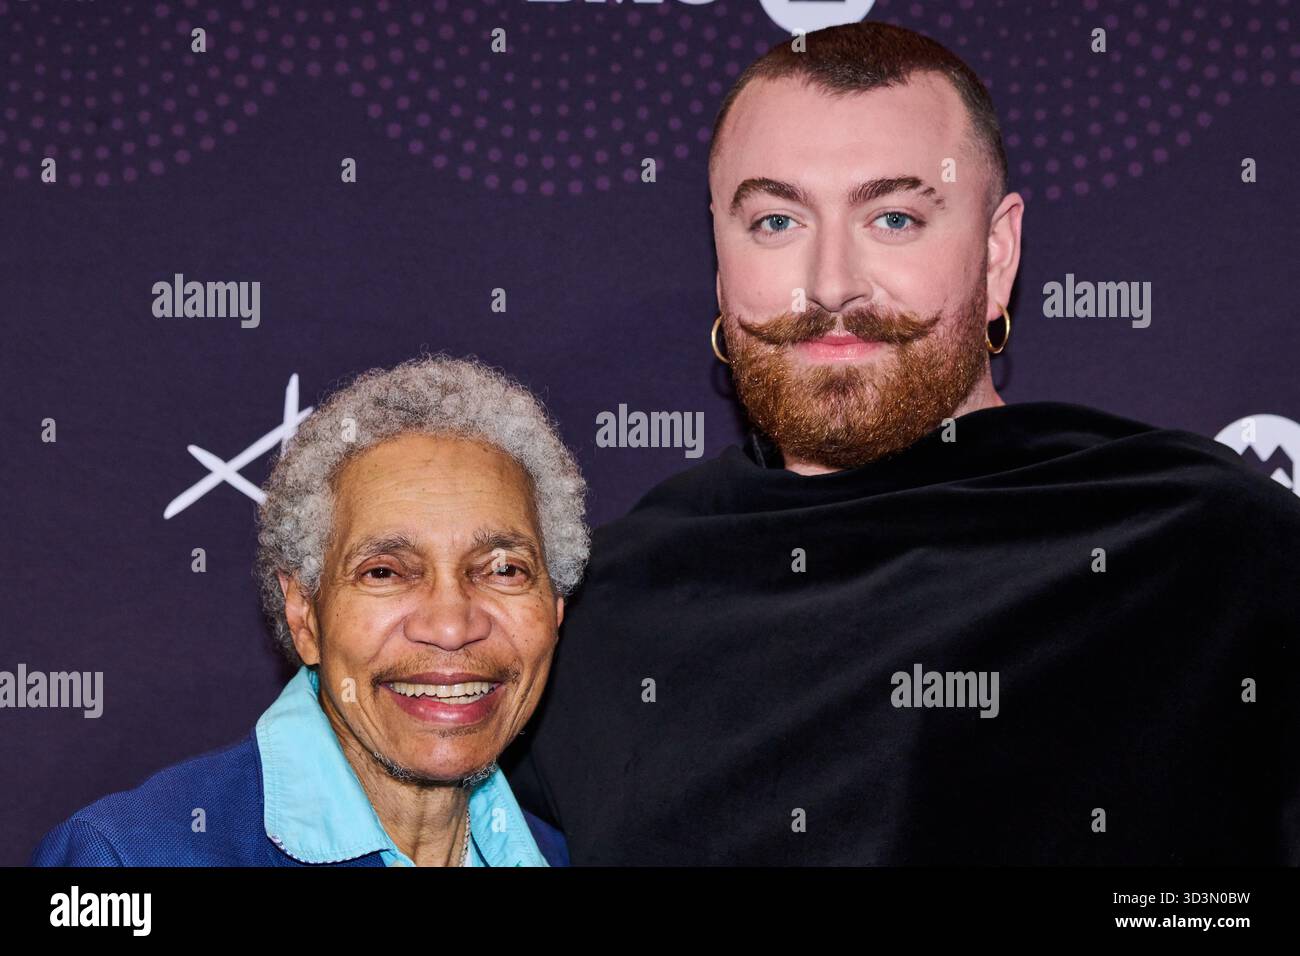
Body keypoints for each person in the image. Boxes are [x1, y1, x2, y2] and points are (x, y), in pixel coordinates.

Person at [505, 21, 1300, 864]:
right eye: (776, 221)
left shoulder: (1202, 550)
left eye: (893, 217)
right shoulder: (598, 611)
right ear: (720, 254)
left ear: (997, 256)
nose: (833, 284)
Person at [32, 356, 589, 866]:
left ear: (556, 609)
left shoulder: (570, 854)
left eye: (504, 570)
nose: (450, 625)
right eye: (385, 572)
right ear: (305, 616)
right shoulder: (131, 859)